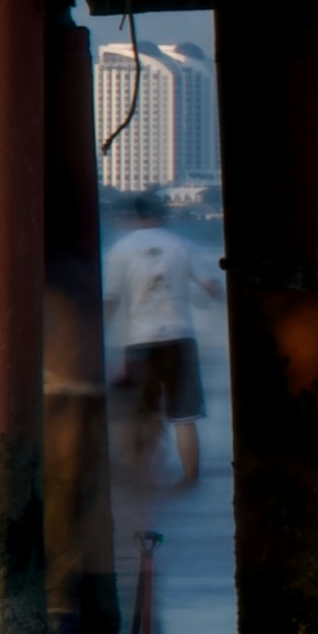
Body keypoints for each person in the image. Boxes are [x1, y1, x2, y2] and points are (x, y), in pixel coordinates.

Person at [103, 190, 211, 486]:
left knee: (144, 414)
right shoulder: (182, 244)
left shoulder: (121, 249)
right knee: (184, 417)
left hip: (139, 340)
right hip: (180, 337)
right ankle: (191, 480)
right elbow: (211, 286)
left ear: (133, 217)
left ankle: (145, 478)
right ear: (160, 216)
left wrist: (96, 335)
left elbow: (110, 300)